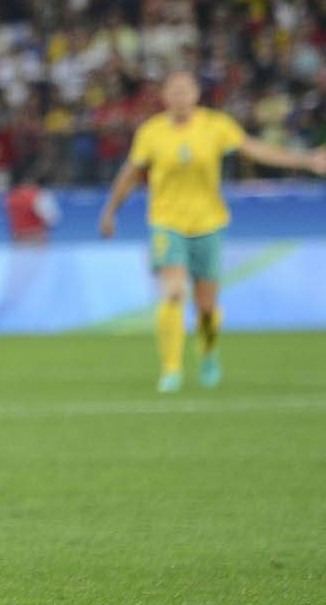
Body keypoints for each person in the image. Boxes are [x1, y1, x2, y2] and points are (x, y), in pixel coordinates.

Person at [97, 71, 326, 391]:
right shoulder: (152, 132)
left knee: (206, 303)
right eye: (173, 91)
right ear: (165, 97)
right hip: (166, 222)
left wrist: (305, 161)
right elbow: (131, 173)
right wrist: (110, 211)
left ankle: (207, 355)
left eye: (185, 90)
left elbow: (256, 149)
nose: (179, 97)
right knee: (174, 292)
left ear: (195, 94)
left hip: (208, 222)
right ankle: (171, 369)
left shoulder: (216, 126)